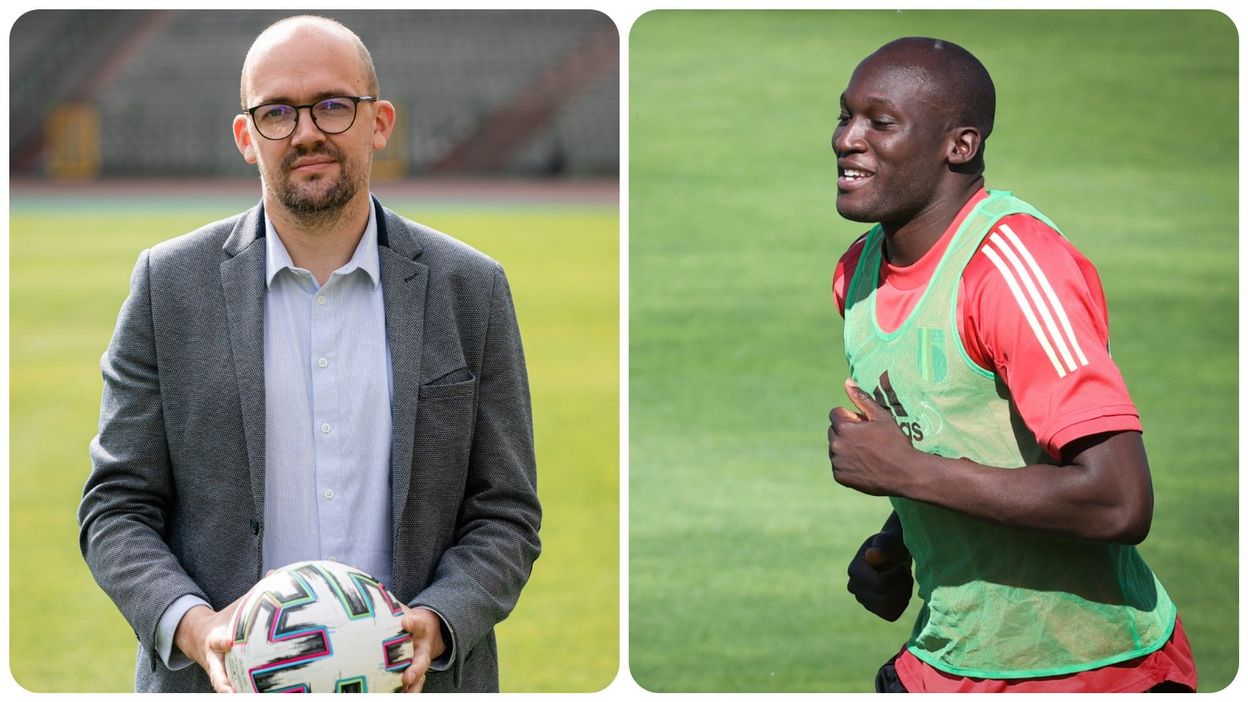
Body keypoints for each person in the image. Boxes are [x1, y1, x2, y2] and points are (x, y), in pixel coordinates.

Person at [78, 15, 541, 693]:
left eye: (331, 105)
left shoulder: (472, 289)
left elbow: (506, 513)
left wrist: (440, 620)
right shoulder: (166, 287)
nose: (305, 132)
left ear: (379, 122)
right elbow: (116, 508)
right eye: (276, 112)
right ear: (246, 136)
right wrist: (198, 628)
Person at [825, 37, 1196, 692]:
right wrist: (900, 537)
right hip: (945, 660)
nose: (846, 139)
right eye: (845, 116)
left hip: (1093, 672)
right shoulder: (858, 274)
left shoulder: (1012, 271)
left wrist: (908, 474)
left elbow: (1119, 500)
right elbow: (956, 437)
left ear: (960, 145)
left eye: (880, 122)